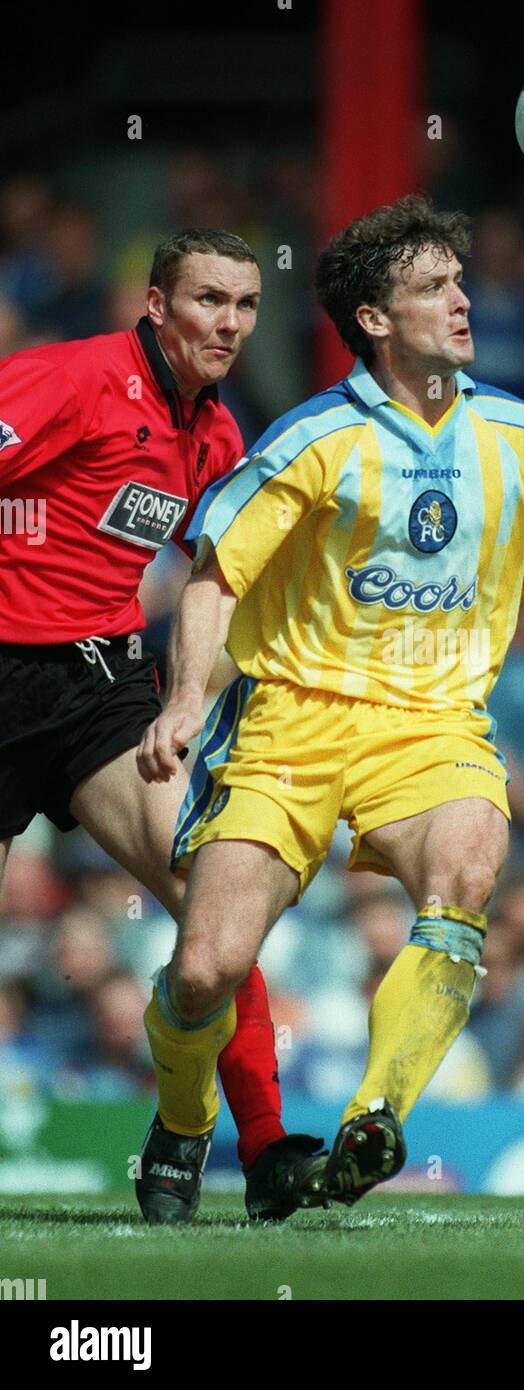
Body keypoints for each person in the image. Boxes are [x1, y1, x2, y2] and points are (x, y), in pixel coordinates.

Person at [137, 195, 524, 1218]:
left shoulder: (515, 435)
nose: (462, 302)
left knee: (465, 871)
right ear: (375, 320)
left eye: (459, 281)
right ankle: (183, 1117)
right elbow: (213, 573)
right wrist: (183, 703)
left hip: (431, 728)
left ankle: (373, 1117)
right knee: (205, 971)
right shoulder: (313, 438)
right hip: (286, 721)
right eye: (432, 288)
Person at [0, 228, 298, 1222]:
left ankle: (255, 1145)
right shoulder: (75, 380)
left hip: (100, 688)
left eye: (246, 305)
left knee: (216, 896)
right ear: (158, 305)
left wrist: (188, 696)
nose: (228, 323)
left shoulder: (213, 436)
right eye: (208, 300)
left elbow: (225, 576)